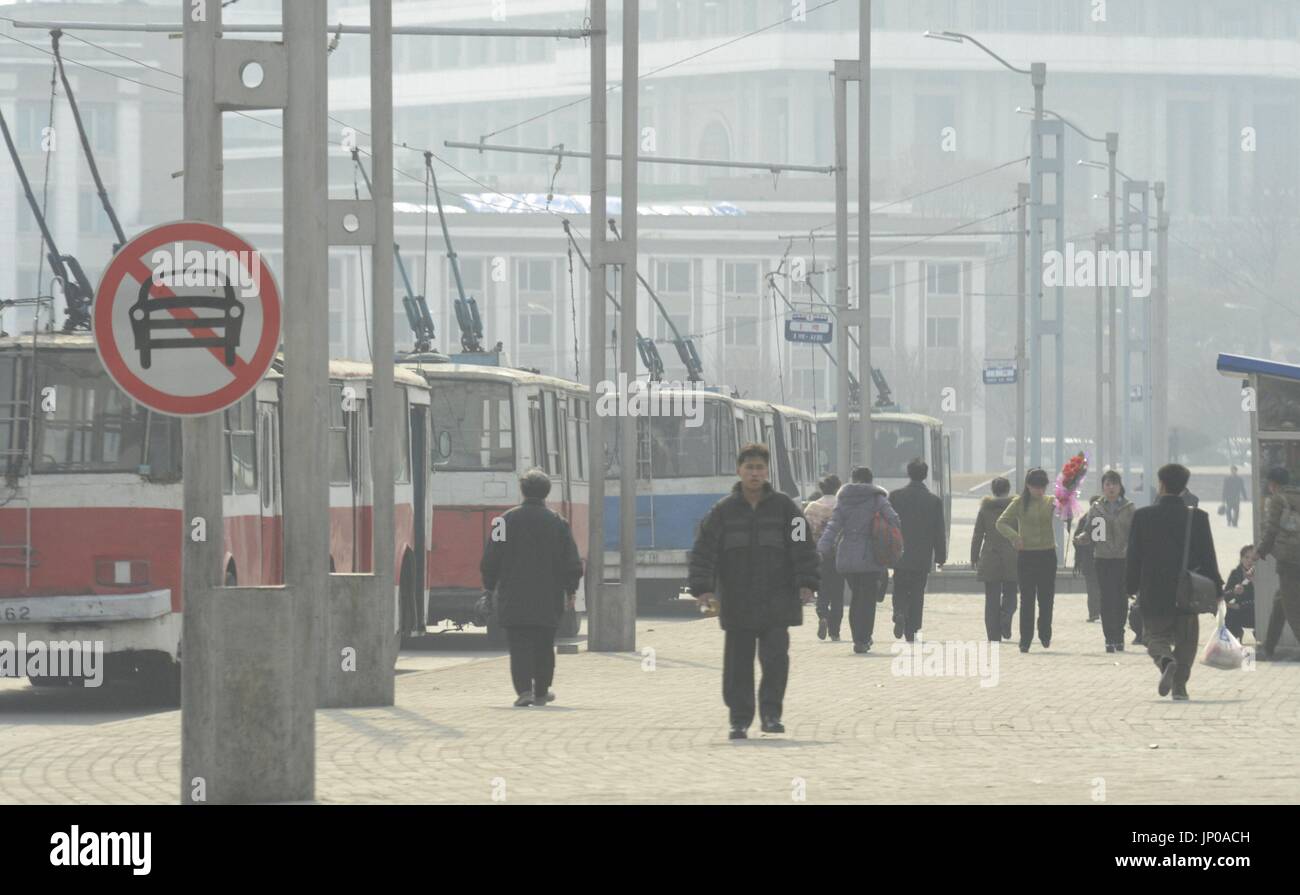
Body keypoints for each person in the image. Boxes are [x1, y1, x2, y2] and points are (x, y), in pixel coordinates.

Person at [688, 443, 819, 739]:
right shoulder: (721, 512)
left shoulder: (787, 509)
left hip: (778, 599)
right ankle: (739, 719)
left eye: (760, 468)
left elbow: (803, 546)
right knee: (737, 664)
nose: (755, 473)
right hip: (737, 600)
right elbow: (704, 551)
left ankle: (771, 715)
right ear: (739, 471)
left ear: (767, 471)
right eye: (750, 468)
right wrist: (703, 589)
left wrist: (807, 582)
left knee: (775, 661)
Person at [480, 468, 583, 707]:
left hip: (513, 596)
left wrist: (489, 587)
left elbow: (490, 559)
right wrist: (571, 590)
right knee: (545, 645)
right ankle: (541, 692)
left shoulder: (502, 521)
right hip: (548, 597)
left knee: (519, 645)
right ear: (546, 493)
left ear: (522, 491)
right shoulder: (559, 523)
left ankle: (524, 690)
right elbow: (572, 562)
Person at [1125, 463, 1222, 701]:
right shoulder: (1197, 517)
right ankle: (1180, 686)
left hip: (1153, 589)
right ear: (1183, 487)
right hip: (1188, 591)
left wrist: (1129, 585)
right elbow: (1209, 556)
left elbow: (1133, 556)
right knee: (1187, 640)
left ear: (1161, 484)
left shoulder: (1143, 516)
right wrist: (1218, 588)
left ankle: (1165, 660)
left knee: (1154, 637)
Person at [817, 466, 899, 653]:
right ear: (870, 480)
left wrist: (821, 547)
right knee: (868, 599)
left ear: (853, 479)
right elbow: (894, 520)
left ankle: (857, 638)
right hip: (871, 557)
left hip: (847, 558)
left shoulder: (843, 500)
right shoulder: (878, 499)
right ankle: (864, 638)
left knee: (856, 598)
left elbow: (833, 527)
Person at [996, 467, 1058, 653]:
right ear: (1028, 486)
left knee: (1047, 598)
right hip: (1027, 556)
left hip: (1047, 555)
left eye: (1042, 487)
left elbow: (1066, 513)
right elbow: (1001, 522)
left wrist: (1067, 506)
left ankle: (1045, 632)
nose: (1039, 491)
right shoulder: (1019, 502)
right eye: (1036, 487)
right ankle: (1025, 639)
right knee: (1027, 599)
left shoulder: (1051, 502)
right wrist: (1015, 537)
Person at [888, 458, 947, 643]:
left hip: (900, 553)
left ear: (908, 473)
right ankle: (912, 629)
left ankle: (899, 612)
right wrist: (941, 556)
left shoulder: (895, 496)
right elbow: (939, 531)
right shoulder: (934, 501)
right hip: (922, 556)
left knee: (899, 587)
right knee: (917, 592)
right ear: (925, 475)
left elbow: (888, 525)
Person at [1076, 470, 1136, 652]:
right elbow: (1094, 534)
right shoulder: (1097, 508)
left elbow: (1135, 535)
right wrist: (1082, 538)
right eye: (1107, 484)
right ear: (1103, 487)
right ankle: (1109, 638)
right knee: (1106, 599)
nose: (1111, 488)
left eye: (1114, 484)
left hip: (1123, 560)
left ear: (1120, 487)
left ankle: (1119, 635)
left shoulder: (1129, 508)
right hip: (1102, 559)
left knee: (1120, 599)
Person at [1256, 466, 1300, 660]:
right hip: (1295, 559)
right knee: (1280, 601)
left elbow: (1272, 528)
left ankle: (1268, 648)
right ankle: (1268, 648)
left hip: (1289, 559)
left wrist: (1260, 551)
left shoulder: (1277, 499)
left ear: (1273, 483)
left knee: (1292, 607)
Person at [971, 476, 1018, 641]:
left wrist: (974, 557)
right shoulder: (1015, 508)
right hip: (1013, 556)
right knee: (1011, 593)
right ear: (1008, 488)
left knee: (991, 598)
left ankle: (993, 635)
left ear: (993, 490)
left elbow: (978, 535)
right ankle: (1006, 616)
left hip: (990, 556)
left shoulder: (985, 509)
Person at [804, 474, 844, 642]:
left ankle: (822, 616)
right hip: (838, 556)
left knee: (822, 590)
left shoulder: (811, 508)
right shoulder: (842, 506)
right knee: (837, 594)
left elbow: (800, 533)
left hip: (817, 555)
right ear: (838, 488)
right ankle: (834, 631)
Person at [1073, 497, 1102, 624]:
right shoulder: (1102, 518)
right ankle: (1099, 611)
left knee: (1092, 587)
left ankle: (1094, 613)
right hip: (1100, 558)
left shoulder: (1085, 519)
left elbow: (1077, 539)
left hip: (1089, 558)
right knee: (1101, 586)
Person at [1224, 545, 1257, 644]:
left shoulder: (1261, 574)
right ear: (1241, 558)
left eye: (1253, 558)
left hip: (1255, 613)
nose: (1249, 561)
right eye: (1246, 557)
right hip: (1239, 612)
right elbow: (1225, 596)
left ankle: (1261, 636)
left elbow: (1264, 601)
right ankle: (1234, 635)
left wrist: (1254, 582)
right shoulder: (1236, 573)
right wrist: (1234, 591)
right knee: (1228, 611)